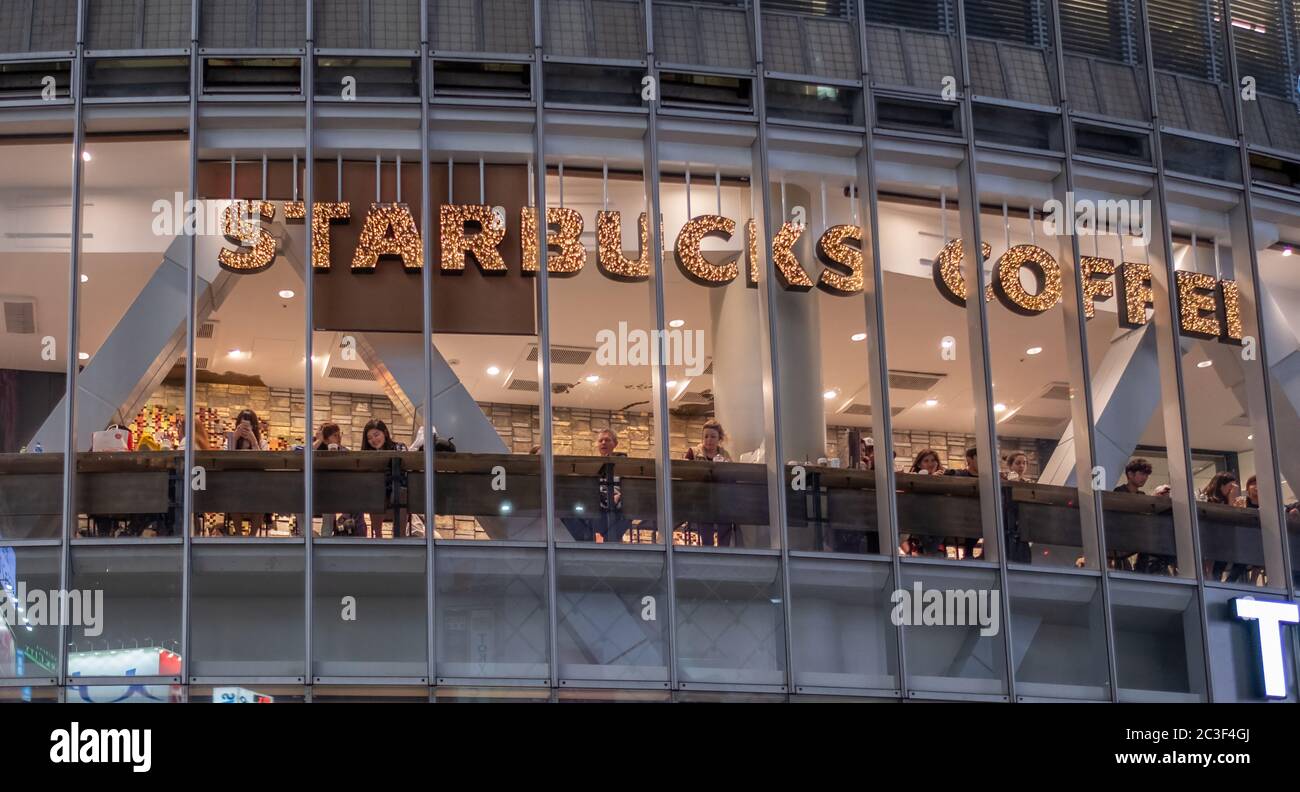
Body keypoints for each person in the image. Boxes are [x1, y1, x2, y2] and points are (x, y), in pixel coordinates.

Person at [562, 428, 632, 543]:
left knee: (626, 511)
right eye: (600, 441)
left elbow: (630, 486)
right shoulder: (593, 466)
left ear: (615, 443)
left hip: (617, 507)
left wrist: (620, 495)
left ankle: (610, 541)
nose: (603, 443)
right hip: (597, 505)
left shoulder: (625, 465)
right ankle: (586, 542)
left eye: (607, 440)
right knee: (569, 511)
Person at [682, 419, 740, 548]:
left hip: (721, 499)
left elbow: (732, 476)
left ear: (719, 438)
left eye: (713, 436)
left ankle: (723, 553)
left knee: (726, 520)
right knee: (705, 527)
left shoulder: (725, 455)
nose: (709, 440)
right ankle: (707, 552)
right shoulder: (693, 452)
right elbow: (684, 473)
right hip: (700, 498)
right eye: (706, 436)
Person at [359, 419, 408, 538]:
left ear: (385, 433)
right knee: (376, 491)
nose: (374, 440)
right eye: (370, 438)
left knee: (400, 492)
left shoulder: (399, 447)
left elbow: (404, 467)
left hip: (396, 485)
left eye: (376, 435)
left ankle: (399, 536)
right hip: (378, 488)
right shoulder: (367, 454)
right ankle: (378, 535)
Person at [1202, 471, 1245, 583]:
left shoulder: (1229, 500)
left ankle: (1225, 582)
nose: (1233, 490)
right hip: (1211, 537)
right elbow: (1226, 516)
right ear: (1221, 485)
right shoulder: (1208, 499)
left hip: (1225, 540)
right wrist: (1231, 499)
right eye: (1230, 486)